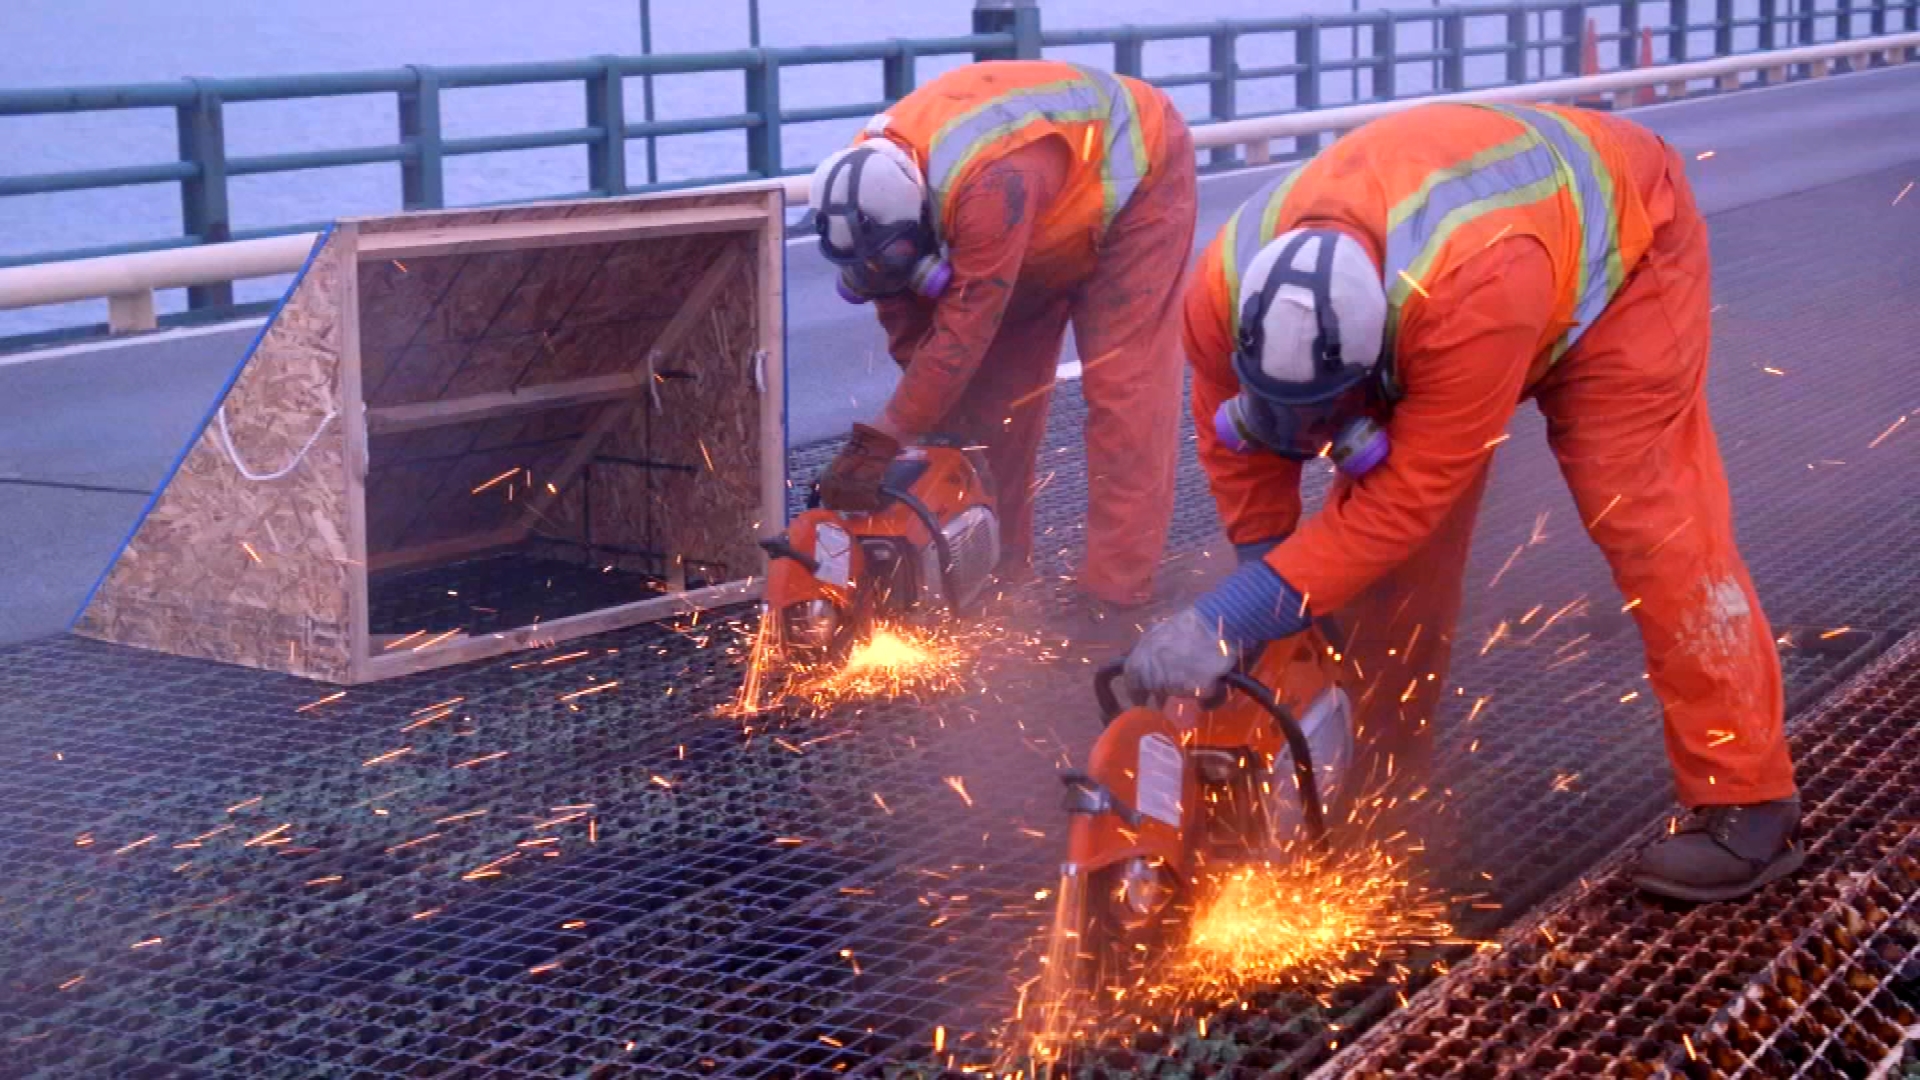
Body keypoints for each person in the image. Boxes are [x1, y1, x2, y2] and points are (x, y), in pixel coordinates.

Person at [1122, 100, 1801, 903]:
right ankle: (1369, 789)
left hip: (1618, 255)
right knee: (1370, 573)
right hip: (1472, 273)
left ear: (1383, 358)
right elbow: (1237, 452)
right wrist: (1263, 584)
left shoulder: (1471, 302)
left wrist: (1229, 617)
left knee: (1651, 519)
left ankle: (1748, 798)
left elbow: (1411, 500)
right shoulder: (1220, 297)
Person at [806, 59, 1198, 622]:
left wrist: (887, 436)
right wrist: (930, 430)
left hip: (1132, 195)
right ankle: (998, 572)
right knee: (992, 414)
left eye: (899, 259)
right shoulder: (861, 197)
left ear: (920, 215)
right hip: (1038, 224)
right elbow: (910, 326)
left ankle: (1116, 594)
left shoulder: (988, 186)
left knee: (1124, 396)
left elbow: (964, 330)